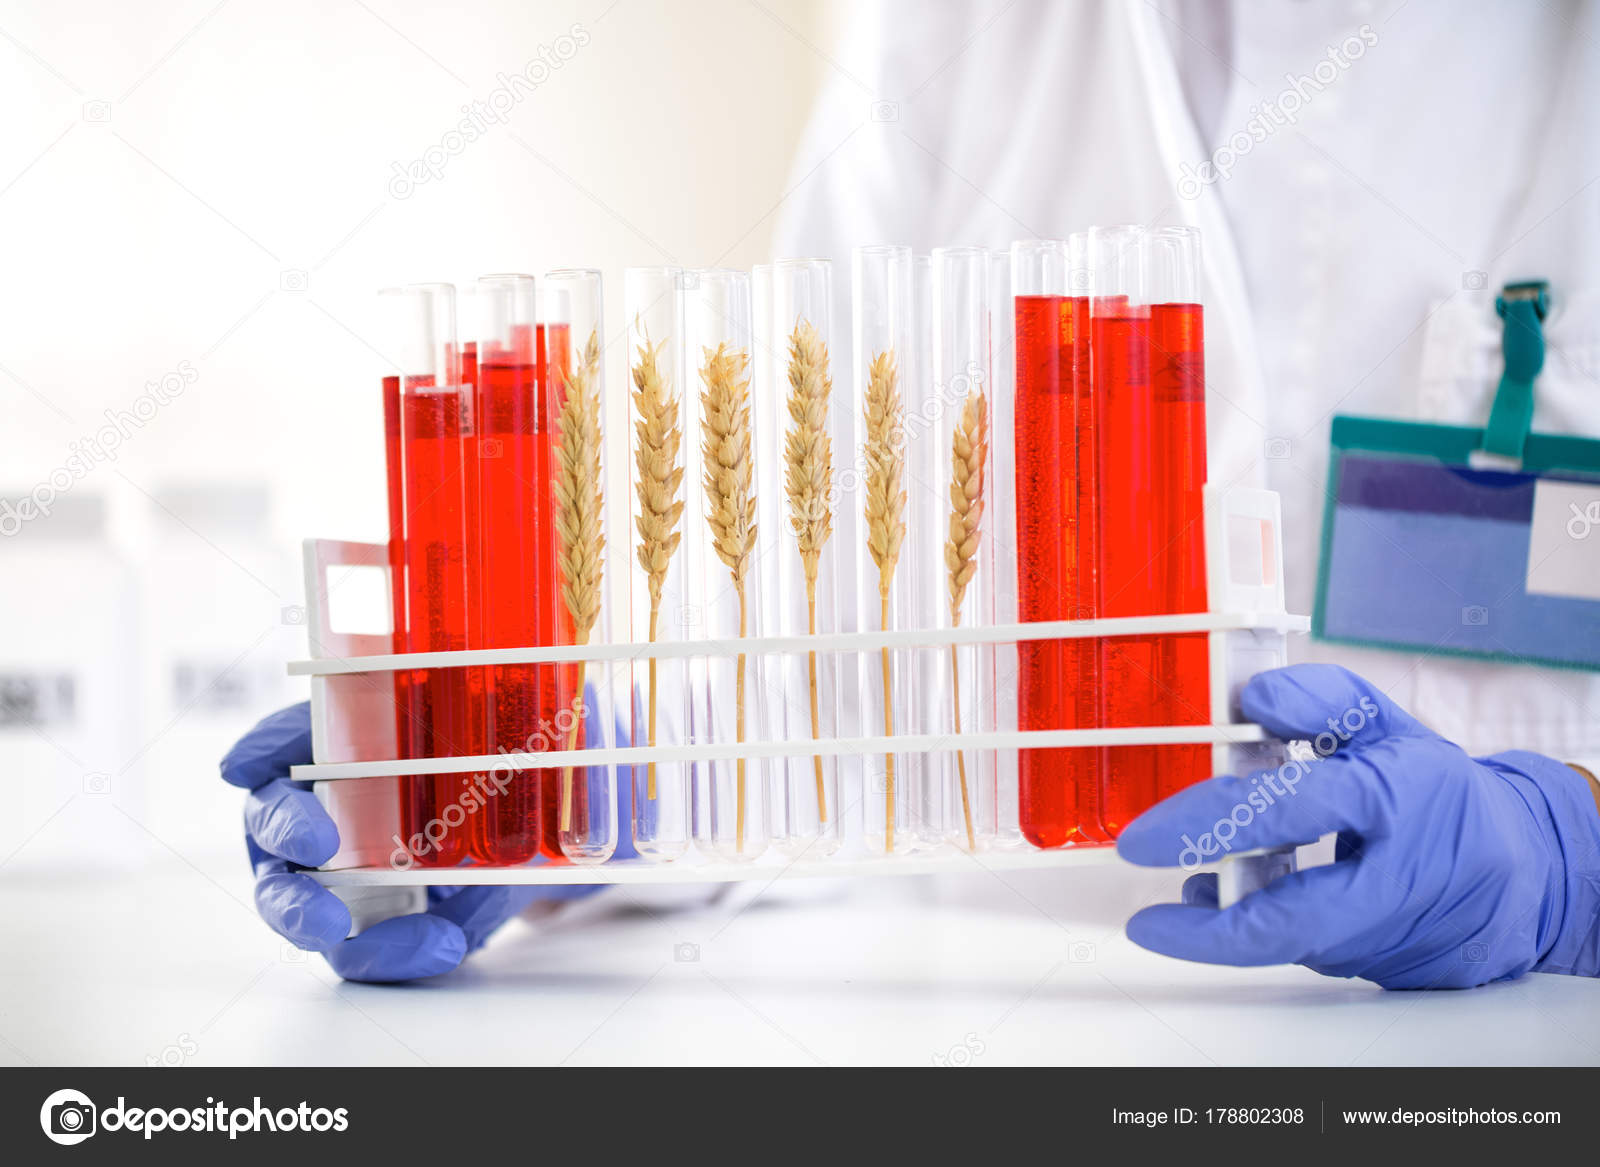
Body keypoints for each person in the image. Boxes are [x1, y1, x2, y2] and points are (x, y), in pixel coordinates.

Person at [223, 0, 1600, 984]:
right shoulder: (948, 30)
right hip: (998, 1017)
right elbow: (826, 651)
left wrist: (1560, 861)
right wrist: (582, 781)